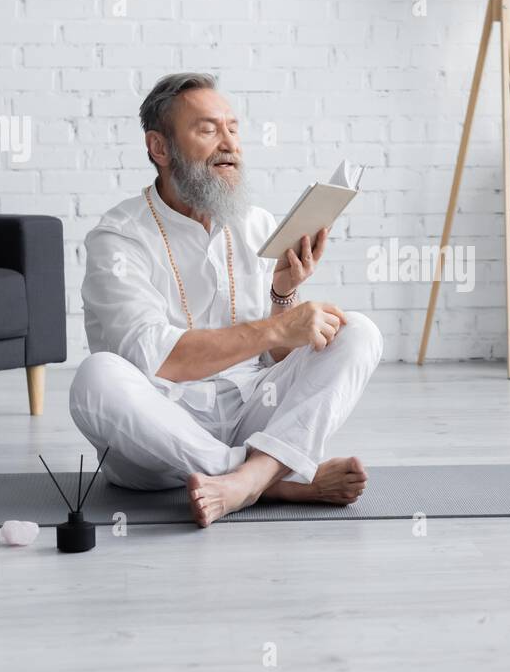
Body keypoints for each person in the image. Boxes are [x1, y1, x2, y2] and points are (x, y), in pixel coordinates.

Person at [69, 73, 382, 526]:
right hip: (161, 430)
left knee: (357, 331)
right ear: (159, 148)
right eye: (208, 129)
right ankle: (270, 478)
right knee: (95, 377)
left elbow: (274, 359)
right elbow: (161, 362)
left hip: (251, 406)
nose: (229, 144)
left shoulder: (254, 223)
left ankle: (244, 479)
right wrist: (277, 326)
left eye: (233, 129)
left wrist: (282, 295)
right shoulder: (117, 238)